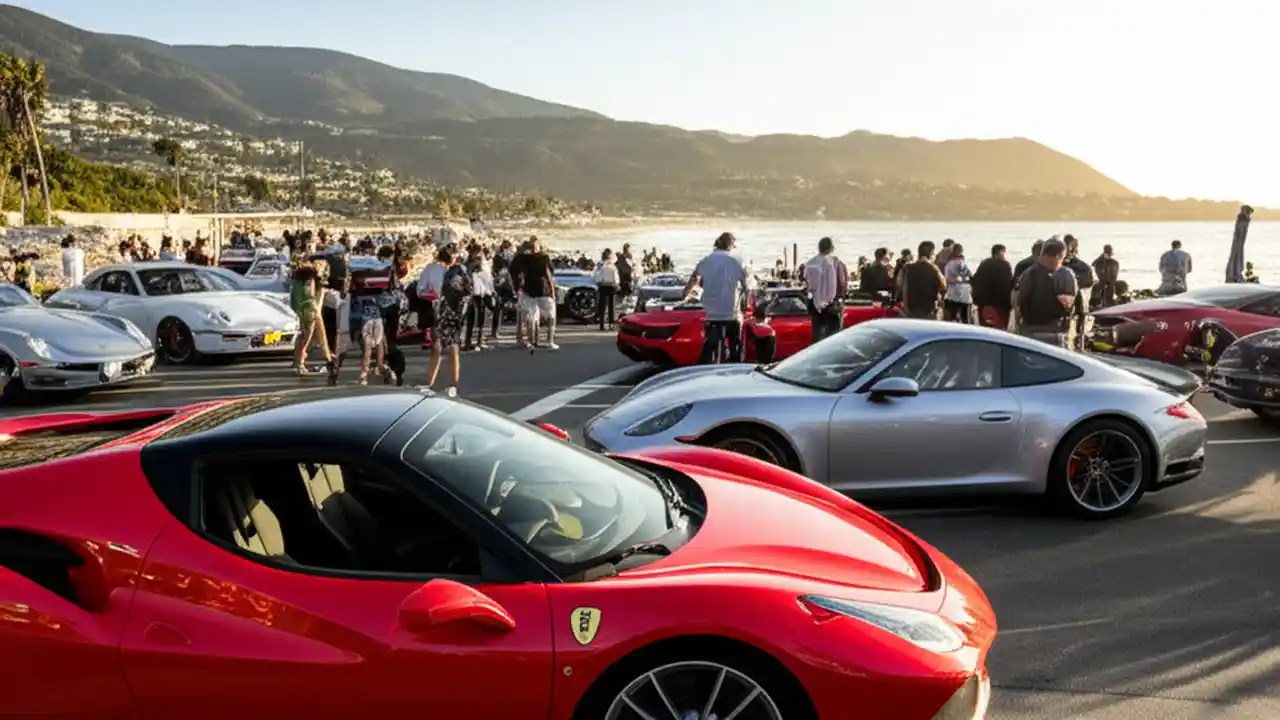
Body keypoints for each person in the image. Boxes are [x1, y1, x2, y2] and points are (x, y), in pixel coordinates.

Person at [685, 232, 749, 363]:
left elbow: (693, 280)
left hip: (711, 314)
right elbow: (746, 287)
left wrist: (685, 295)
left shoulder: (706, 260)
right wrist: (745, 305)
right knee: (735, 349)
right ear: (731, 245)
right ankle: (735, 373)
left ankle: (707, 372)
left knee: (710, 349)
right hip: (732, 313)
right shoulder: (737, 261)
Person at [1016, 238, 1077, 348]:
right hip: (1048, 331)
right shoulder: (1066, 275)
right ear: (1058, 257)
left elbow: (1020, 302)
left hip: (1035, 330)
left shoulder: (1028, 274)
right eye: (1062, 258)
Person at [425, 248, 470, 397]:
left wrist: (460, 311)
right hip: (445, 311)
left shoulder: (458, 271)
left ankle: (453, 384)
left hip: (453, 312)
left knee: (452, 348)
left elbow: (466, 290)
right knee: (438, 346)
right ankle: (430, 383)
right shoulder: (446, 272)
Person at [512, 236, 558, 352]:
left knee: (531, 317)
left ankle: (532, 341)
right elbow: (549, 275)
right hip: (542, 290)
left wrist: (517, 285)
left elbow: (512, 268)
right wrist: (553, 292)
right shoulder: (543, 258)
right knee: (550, 316)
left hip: (530, 290)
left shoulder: (523, 258)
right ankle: (549, 341)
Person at [289, 260, 334, 376]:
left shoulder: (299, 280)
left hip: (303, 310)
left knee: (305, 337)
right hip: (311, 311)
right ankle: (301, 363)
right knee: (307, 338)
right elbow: (317, 301)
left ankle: (326, 360)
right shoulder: (314, 280)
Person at [802, 237, 848, 343]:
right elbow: (842, 284)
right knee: (834, 338)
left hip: (816, 304)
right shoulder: (836, 263)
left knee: (817, 337)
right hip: (833, 305)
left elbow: (808, 283)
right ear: (831, 248)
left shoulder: (810, 263)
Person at [971, 244, 1013, 329]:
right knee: (1000, 329)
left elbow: (976, 281)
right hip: (1000, 304)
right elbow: (1008, 284)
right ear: (1000, 253)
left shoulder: (983, 264)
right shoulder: (1004, 265)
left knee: (985, 329)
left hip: (984, 304)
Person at [901, 241, 946, 319]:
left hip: (911, 310)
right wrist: (934, 266)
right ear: (931, 253)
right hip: (929, 309)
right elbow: (944, 285)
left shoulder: (907, 268)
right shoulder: (932, 269)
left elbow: (900, 285)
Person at [464, 246, 493, 351]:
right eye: (476, 254)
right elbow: (467, 278)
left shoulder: (484, 265)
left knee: (482, 316)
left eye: (480, 254)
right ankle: (468, 341)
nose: (478, 256)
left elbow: (488, 278)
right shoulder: (468, 265)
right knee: (470, 317)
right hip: (472, 294)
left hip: (484, 293)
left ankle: (480, 340)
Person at [942, 243, 973, 323]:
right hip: (965, 295)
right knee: (966, 320)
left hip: (952, 295)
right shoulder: (965, 263)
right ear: (961, 251)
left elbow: (947, 280)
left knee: (952, 319)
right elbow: (970, 278)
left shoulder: (948, 264)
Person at [593, 249, 620, 331]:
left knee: (602, 305)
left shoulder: (600, 265)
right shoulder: (612, 265)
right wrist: (617, 284)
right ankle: (611, 324)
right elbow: (616, 277)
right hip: (611, 286)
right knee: (611, 306)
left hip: (602, 285)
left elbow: (596, 276)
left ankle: (601, 324)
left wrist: (598, 282)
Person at [1091, 245, 1120, 309]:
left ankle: (1107, 304)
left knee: (1109, 291)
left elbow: (1114, 276)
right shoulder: (1100, 262)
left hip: (1108, 283)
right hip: (1105, 282)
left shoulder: (1114, 263)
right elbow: (1095, 267)